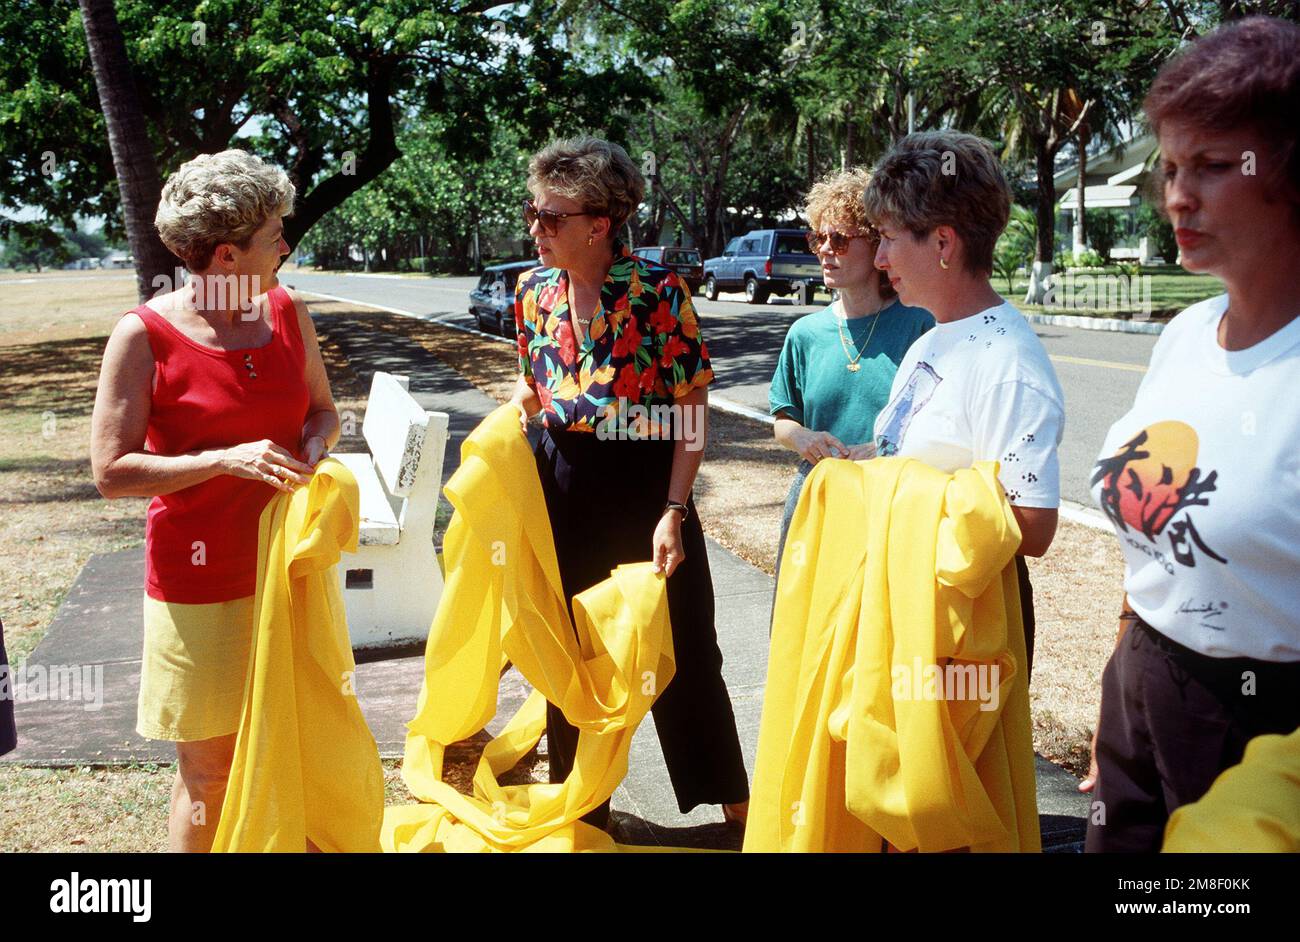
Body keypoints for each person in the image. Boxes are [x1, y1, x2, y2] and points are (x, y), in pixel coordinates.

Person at [1080, 15, 1300, 853]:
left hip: (1267, 735)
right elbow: (1160, 532)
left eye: (1212, 166)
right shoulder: (1186, 332)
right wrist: (1124, 685)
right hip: (1144, 682)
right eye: (1170, 167)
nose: (1177, 195)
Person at [90, 149, 339, 852]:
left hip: (287, 573)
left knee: (295, 745)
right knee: (209, 771)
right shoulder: (144, 335)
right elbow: (111, 471)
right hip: (199, 585)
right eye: (274, 235)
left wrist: (317, 448)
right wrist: (221, 461)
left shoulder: (288, 312)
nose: (287, 246)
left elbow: (323, 412)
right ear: (227, 255)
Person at [508, 135, 750, 831]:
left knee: (687, 655)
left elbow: (690, 412)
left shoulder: (657, 293)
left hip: (646, 489)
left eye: (552, 218)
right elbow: (533, 389)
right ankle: (584, 818)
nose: (536, 229)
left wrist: (674, 507)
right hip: (559, 487)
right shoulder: (532, 293)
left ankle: (744, 823)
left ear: (600, 223)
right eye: (533, 212)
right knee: (571, 658)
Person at [864, 130, 1066, 677]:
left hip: (961, 640)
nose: (879, 258)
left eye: (888, 238)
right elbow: (919, 452)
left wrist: (896, 493)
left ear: (943, 243)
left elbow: (1033, 524)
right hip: (911, 612)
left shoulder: (1009, 364)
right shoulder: (931, 339)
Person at [770, 168, 933, 588]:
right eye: (817, 239)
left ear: (877, 244)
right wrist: (802, 438)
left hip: (893, 505)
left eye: (839, 239)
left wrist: (883, 450)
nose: (825, 250)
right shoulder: (804, 334)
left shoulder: (920, 326)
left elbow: (938, 425)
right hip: (817, 501)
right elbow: (783, 418)